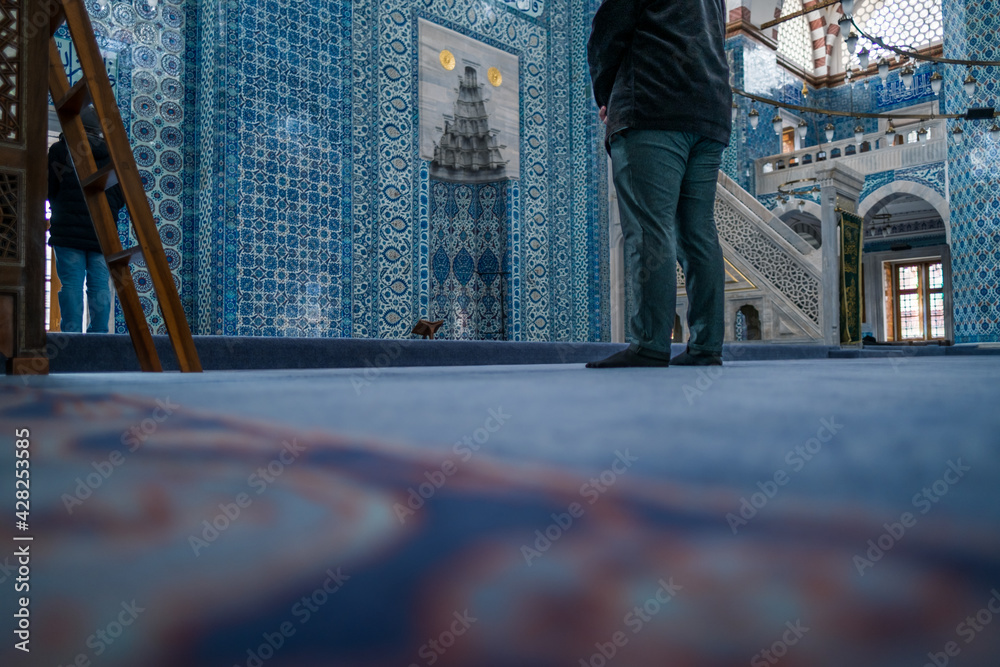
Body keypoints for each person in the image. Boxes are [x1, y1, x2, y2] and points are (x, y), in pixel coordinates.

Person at [585, 0, 731, 368]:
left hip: (654, 102)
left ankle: (650, 343)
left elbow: (609, 30)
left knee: (651, 228)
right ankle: (705, 346)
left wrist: (605, 93)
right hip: (710, 112)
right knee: (698, 230)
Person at [48, 106, 125, 333]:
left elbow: (49, 187)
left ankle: (72, 339)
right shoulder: (113, 158)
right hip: (103, 233)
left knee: (71, 285)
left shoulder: (62, 150)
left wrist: (61, 204)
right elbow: (120, 196)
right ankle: (99, 337)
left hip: (68, 230)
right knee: (100, 285)